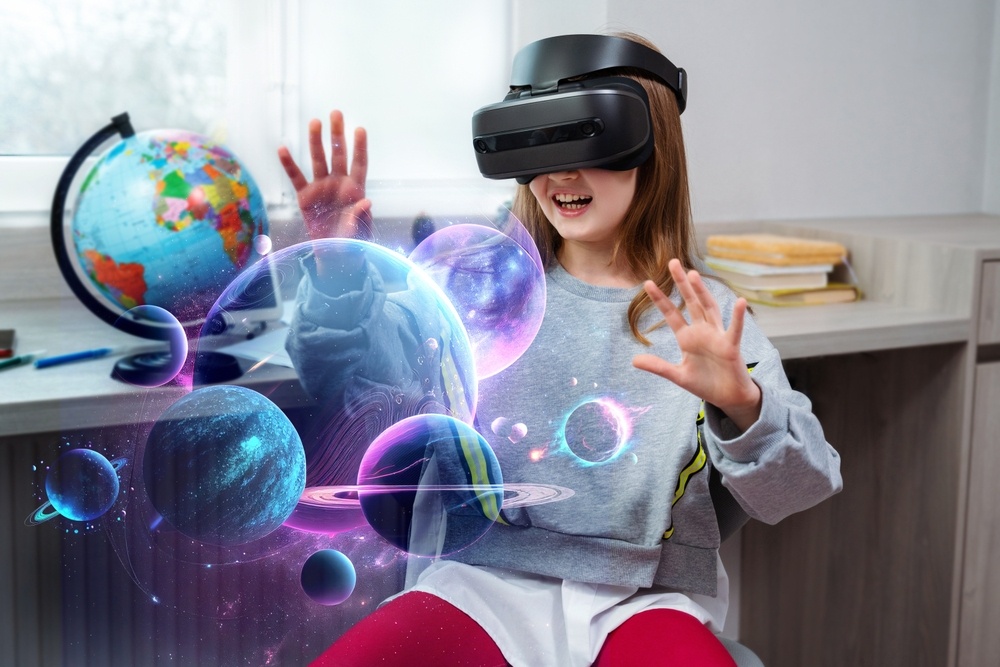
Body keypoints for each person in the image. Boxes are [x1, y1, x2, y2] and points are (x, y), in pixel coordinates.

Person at [278, 32, 842, 667]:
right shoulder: (478, 292)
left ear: (649, 146)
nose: (562, 174)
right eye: (542, 146)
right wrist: (334, 275)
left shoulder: (701, 315)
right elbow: (351, 391)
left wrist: (743, 404)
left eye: (588, 144)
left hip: (642, 598)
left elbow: (801, 486)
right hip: (477, 582)